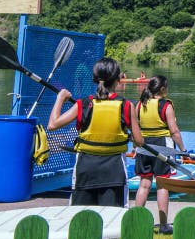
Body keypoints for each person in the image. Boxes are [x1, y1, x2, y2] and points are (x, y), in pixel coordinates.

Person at [48, 57, 143, 207]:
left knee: (81, 217)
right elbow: (139, 141)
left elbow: (52, 125)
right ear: (118, 79)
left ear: (95, 79)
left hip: (85, 170)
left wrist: (60, 99)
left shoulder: (83, 104)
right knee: (113, 218)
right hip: (114, 171)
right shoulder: (126, 105)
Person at [133, 76, 185, 235]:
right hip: (162, 147)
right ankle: (163, 225)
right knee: (163, 185)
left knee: (144, 184)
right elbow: (174, 131)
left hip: (144, 146)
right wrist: (182, 150)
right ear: (163, 89)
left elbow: (135, 126)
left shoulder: (140, 104)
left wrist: (135, 146)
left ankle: (135, 222)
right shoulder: (166, 105)